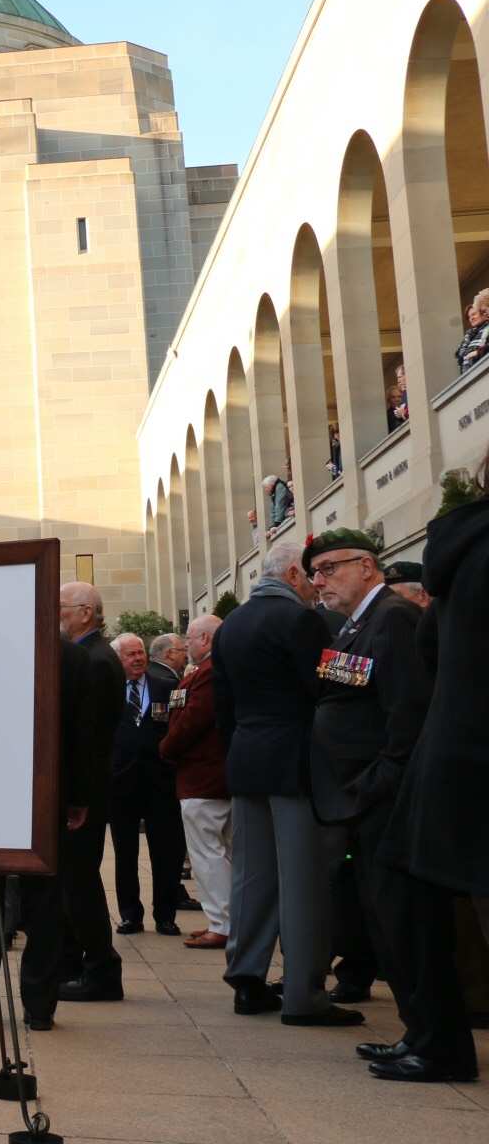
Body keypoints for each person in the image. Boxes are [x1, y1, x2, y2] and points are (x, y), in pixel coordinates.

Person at [304, 528, 471, 1078]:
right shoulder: (356, 625)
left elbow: (407, 709)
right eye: (315, 573)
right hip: (360, 798)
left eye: (330, 568)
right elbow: (341, 694)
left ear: (368, 566)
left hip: (387, 797)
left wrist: (379, 780)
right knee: (388, 925)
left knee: (411, 925)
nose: (320, 580)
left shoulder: (393, 619)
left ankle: (440, 1044)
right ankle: (417, 1032)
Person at [380, 449, 489, 1080]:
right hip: (457, 759)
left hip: (448, 755)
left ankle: (438, 1040)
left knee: (422, 907)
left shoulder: (459, 551)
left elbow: (428, 653)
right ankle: (435, 1039)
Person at [212, 542, 351, 1023]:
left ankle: (246, 978)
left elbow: (223, 707)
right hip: (294, 761)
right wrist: (365, 663)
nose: (316, 585)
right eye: (310, 575)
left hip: (247, 759)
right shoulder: (301, 621)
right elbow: (329, 685)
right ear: (292, 573)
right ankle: (303, 994)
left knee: (252, 877)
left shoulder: (231, 625)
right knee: (302, 881)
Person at [0, 632, 105, 1031]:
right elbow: (85, 736)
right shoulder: (70, 656)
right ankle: (40, 1006)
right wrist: (79, 796)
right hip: (46, 787)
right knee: (46, 899)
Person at [54, 581, 124, 1003]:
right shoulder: (93, 656)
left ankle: (101, 969)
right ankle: (76, 963)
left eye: (61, 607)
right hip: (88, 790)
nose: (56, 615)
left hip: (87, 793)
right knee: (73, 881)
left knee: (80, 882)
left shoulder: (93, 661)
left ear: (84, 611)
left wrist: (76, 797)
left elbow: (89, 739)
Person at [107, 632, 186, 937]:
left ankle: (165, 915)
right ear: (118, 659)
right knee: (125, 854)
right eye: (131, 654)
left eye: (140, 652)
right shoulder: (110, 690)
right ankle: (130, 915)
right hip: (121, 785)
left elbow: (179, 725)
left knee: (165, 853)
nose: (138, 658)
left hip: (160, 784)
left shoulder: (168, 687)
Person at [159, 615, 229, 949]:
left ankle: (223, 924)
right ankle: (223, 920)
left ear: (205, 638)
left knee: (208, 855)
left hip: (205, 778)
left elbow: (192, 722)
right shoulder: (205, 671)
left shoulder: (210, 673)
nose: (185, 645)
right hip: (206, 778)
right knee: (216, 854)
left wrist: (166, 747)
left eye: (189, 638)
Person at [457, 290, 489, 374]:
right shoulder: (468, 335)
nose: (471, 318)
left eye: (474, 314)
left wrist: (478, 352)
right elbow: (460, 356)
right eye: (469, 317)